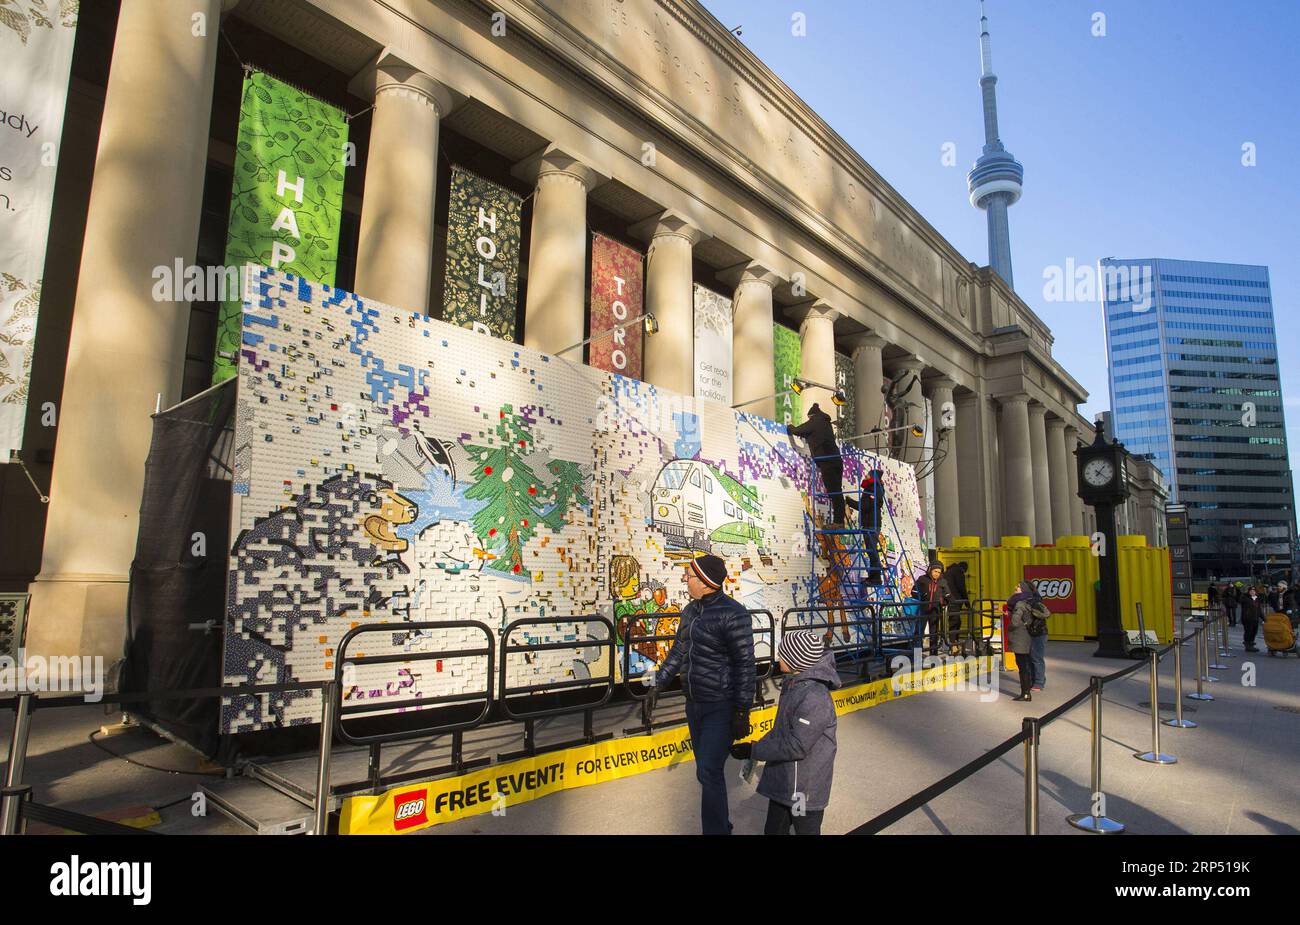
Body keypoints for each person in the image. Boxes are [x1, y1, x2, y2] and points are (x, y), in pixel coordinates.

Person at [649, 554, 756, 835]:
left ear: (706, 582)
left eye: (690, 576)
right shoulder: (690, 611)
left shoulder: (734, 614)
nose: (686, 580)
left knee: (709, 770)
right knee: (705, 771)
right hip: (694, 704)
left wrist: (742, 710)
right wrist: (658, 683)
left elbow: (745, 664)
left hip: (721, 705)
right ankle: (721, 823)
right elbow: (678, 650)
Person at [730, 630, 839, 835]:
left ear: (797, 661)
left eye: (783, 654)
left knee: (805, 831)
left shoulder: (815, 697)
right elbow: (781, 729)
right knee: (774, 830)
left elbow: (796, 745)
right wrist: (755, 745)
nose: (778, 658)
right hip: (785, 782)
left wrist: (753, 750)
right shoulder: (794, 683)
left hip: (804, 789)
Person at [788, 403, 846, 526]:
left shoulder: (815, 421)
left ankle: (838, 522)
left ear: (811, 416)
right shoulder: (826, 422)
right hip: (836, 461)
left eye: (809, 418)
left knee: (833, 492)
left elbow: (798, 430)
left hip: (827, 461)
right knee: (837, 491)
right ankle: (839, 521)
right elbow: (814, 435)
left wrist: (790, 426)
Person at [1006, 580, 1047, 702]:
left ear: (1024, 589)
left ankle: (1037, 683)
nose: (1016, 587)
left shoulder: (1021, 602)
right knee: (1030, 658)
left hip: (1036, 633)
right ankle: (1032, 683)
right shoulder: (1026, 600)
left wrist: (1011, 624)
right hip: (1032, 632)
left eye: (1018, 586)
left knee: (1034, 658)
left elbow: (1015, 622)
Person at [911, 561, 951, 655]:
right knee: (919, 632)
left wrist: (943, 601)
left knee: (934, 633)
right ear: (930, 570)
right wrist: (922, 595)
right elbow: (913, 591)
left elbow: (948, 595)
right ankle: (917, 655)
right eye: (935, 571)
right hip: (923, 609)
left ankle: (933, 654)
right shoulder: (922, 579)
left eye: (939, 572)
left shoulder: (943, 581)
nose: (936, 574)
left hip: (935, 610)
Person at [945, 561, 971, 655]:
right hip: (955, 601)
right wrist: (967, 603)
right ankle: (953, 645)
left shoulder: (949, 571)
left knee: (955, 621)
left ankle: (954, 643)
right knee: (955, 622)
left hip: (948, 601)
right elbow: (962, 588)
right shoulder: (958, 572)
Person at [1239, 585, 1264, 653]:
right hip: (1247, 618)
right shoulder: (1245, 598)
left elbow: (1259, 610)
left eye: (1253, 591)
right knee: (1248, 631)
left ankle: (1251, 643)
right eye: (1251, 591)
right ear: (1248, 592)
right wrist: (1244, 594)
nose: (1252, 592)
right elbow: (1241, 600)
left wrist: (1264, 618)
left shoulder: (1257, 599)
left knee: (1254, 632)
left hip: (1255, 618)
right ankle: (1248, 645)